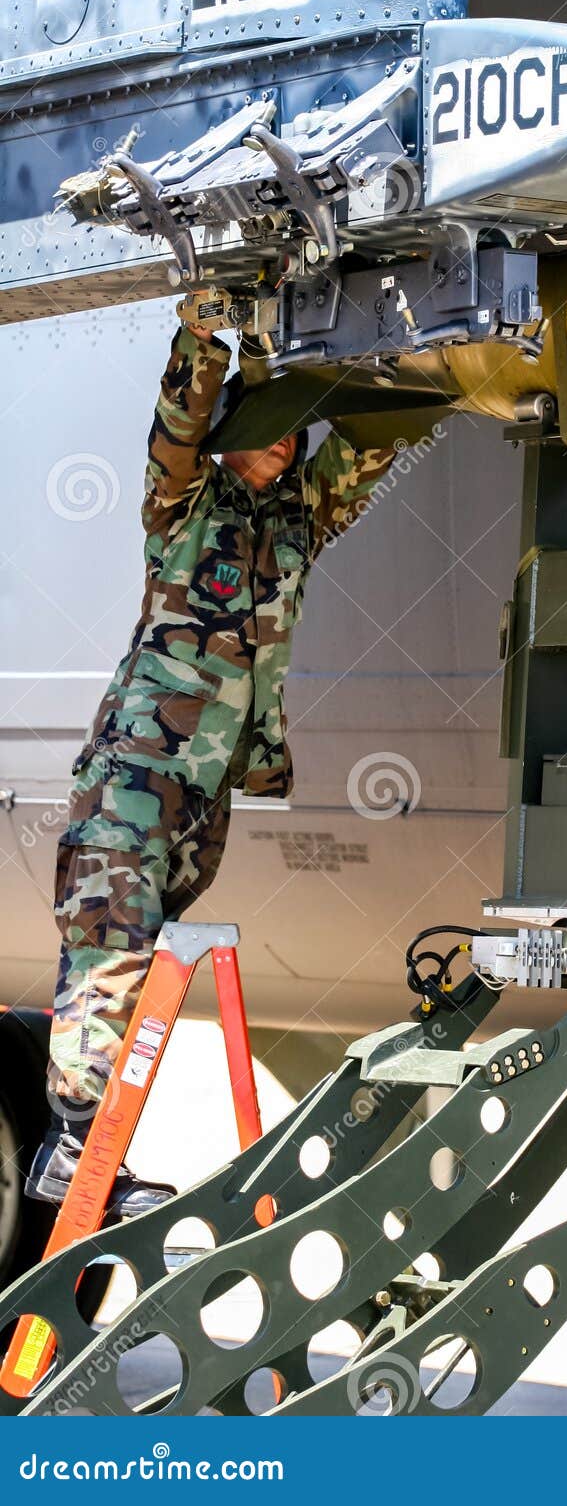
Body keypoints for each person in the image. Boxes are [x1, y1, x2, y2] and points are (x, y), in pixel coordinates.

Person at [25, 302, 395, 1219]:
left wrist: (415, 348)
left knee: (146, 960)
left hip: (207, 789)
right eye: (263, 433)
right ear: (233, 437)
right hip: (138, 773)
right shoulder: (185, 504)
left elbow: (375, 442)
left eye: (291, 437)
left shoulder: (300, 518)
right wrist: (205, 335)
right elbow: (176, 432)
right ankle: (74, 1153)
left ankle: (97, 1155)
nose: (281, 447)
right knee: (110, 947)